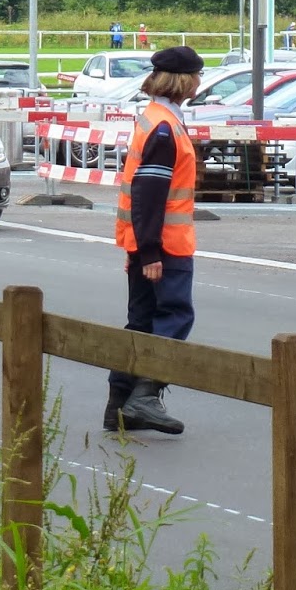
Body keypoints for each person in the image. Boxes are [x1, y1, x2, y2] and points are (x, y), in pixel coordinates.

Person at [105, 45, 203, 435]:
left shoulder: (153, 118)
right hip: (165, 245)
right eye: (197, 75)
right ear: (185, 81)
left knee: (141, 321)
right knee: (175, 317)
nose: (200, 82)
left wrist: (141, 246)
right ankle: (145, 396)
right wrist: (151, 251)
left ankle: (119, 405)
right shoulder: (165, 128)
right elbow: (150, 192)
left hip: (144, 241)